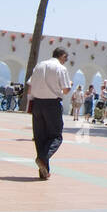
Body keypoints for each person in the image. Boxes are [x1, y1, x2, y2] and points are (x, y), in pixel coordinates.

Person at [28, 48, 72, 179]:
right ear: (62, 56)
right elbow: (65, 90)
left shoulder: (39, 65)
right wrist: (70, 84)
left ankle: (44, 171)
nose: (65, 61)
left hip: (37, 104)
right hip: (52, 104)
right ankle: (42, 158)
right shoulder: (60, 68)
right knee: (56, 136)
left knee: (40, 137)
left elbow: (30, 86)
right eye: (66, 58)